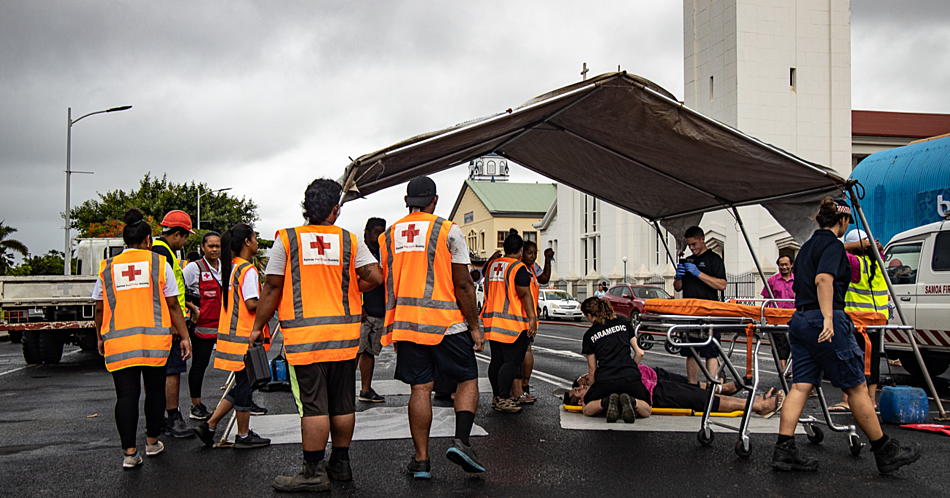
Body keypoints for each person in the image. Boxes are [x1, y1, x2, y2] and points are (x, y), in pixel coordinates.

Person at [251, 179, 384, 492]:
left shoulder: (288, 240)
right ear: (335, 210)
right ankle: (340, 463)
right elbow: (376, 276)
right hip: (345, 336)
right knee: (342, 403)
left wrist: (259, 325)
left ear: (306, 208)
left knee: (314, 406)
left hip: (305, 338)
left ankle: (312, 472)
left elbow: (271, 287)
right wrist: (354, 286)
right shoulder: (350, 241)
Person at [772, 198, 921, 475]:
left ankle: (784, 449)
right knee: (856, 387)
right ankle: (884, 450)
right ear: (843, 221)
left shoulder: (803, 250)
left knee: (801, 386)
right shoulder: (832, 246)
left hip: (800, 320)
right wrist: (828, 317)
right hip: (825, 319)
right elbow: (823, 280)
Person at [379, 175, 486, 479]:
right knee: (467, 379)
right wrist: (475, 326)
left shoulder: (387, 237)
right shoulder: (447, 230)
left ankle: (421, 460)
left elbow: (390, 281)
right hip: (446, 323)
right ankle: (462, 442)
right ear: (435, 200)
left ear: (406, 202)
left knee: (420, 389)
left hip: (408, 325)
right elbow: (464, 284)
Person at [92, 208, 192, 469]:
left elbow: (100, 307)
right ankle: (151, 442)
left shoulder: (108, 267)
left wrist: (100, 336)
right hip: (153, 342)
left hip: (119, 342)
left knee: (126, 396)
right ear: (149, 240)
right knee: (155, 391)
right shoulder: (159, 264)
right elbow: (172, 305)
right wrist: (184, 336)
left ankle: (129, 454)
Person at [195, 224, 271, 450]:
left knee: (241, 386)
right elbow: (251, 303)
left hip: (231, 337)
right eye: (255, 237)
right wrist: (270, 303)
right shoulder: (248, 270)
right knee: (246, 388)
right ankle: (243, 435)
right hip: (244, 338)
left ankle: (210, 425)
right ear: (247, 242)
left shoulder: (232, 268)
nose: (257, 241)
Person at [565, 364, 783, 417]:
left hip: (656, 385)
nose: (581, 387)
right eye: (578, 391)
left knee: (700, 394)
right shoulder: (592, 400)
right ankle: (757, 406)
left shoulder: (596, 387)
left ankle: (749, 400)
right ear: (579, 401)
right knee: (703, 400)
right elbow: (590, 408)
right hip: (656, 395)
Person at [152, 210, 199, 438]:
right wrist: (178, 327)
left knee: (162, 371)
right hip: (169, 322)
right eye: (186, 236)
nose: (186, 241)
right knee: (173, 370)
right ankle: (173, 418)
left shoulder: (158, 251)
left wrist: (188, 307)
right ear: (178, 234)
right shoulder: (164, 254)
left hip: (162, 319)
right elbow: (167, 295)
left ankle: (160, 418)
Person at [831, 229, 888, 412]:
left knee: (850, 359)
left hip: (857, 320)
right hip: (877, 319)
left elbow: (833, 248)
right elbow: (878, 249)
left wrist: (855, 246)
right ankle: (871, 400)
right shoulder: (879, 261)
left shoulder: (855, 262)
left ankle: (847, 400)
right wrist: (875, 245)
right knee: (872, 361)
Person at [482, 232, 538, 413]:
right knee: (512, 361)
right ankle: (504, 398)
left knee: (496, 360)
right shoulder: (517, 267)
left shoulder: (492, 265)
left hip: (492, 321)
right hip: (512, 323)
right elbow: (524, 293)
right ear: (521, 250)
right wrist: (532, 318)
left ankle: (497, 396)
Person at [574, 297, 652, 422]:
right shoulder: (624, 324)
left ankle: (605, 402)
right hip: (629, 375)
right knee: (647, 409)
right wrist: (630, 367)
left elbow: (592, 370)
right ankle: (632, 401)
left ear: (589, 315)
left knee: (587, 408)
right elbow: (640, 353)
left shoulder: (589, 335)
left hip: (606, 378)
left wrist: (593, 392)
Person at [673, 226, 727, 385]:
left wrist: (698, 273)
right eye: (689, 245)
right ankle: (692, 385)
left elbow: (722, 284)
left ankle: (712, 385)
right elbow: (677, 288)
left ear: (703, 239)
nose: (692, 248)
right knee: (691, 350)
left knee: (710, 350)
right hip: (689, 312)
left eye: (694, 244)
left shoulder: (714, 259)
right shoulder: (688, 259)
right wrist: (678, 277)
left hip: (708, 312)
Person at [182, 231, 222, 420]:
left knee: (240, 364)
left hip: (223, 326)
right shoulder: (193, 268)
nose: (214, 249)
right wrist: (193, 309)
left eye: (217, 246)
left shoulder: (226, 268)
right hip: (202, 328)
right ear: (203, 248)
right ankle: (196, 405)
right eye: (211, 246)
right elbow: (178, 293)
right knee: (200, 364)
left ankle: (242, 401)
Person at [514, 241, 553, 403]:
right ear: (521, 252)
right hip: (521, 314)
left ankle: (524, 385)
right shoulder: (519, 268)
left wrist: (547, 260)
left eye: (535, 253)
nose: (533, 256)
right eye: (530, 253)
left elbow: (544, 278)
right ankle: (519, 388)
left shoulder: (531, 268)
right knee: (521, 352)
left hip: (529, 316)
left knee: (526, 350)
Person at [357, 217, 387, 403]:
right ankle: (342, 392)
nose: (379, 236)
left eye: (382, 232)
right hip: (362, 312)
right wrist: (359, 306)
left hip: (380, 310)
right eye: (376, 232)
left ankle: (366, 390)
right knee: (355, 352)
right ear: (366, 233)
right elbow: (351, 282)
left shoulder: (386, 253)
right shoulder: (359, 254)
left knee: (370, 352)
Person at [762, 255, 795, 373]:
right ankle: (783, 370)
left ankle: (794, 369)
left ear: (791, 265)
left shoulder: (798, 280)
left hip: (793, 317)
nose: (784, 267)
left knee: (795, 344)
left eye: (786, 264)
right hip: (776, 318)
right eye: (782, 265)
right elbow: (765, 299)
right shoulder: (772, 281)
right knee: (780, 345)